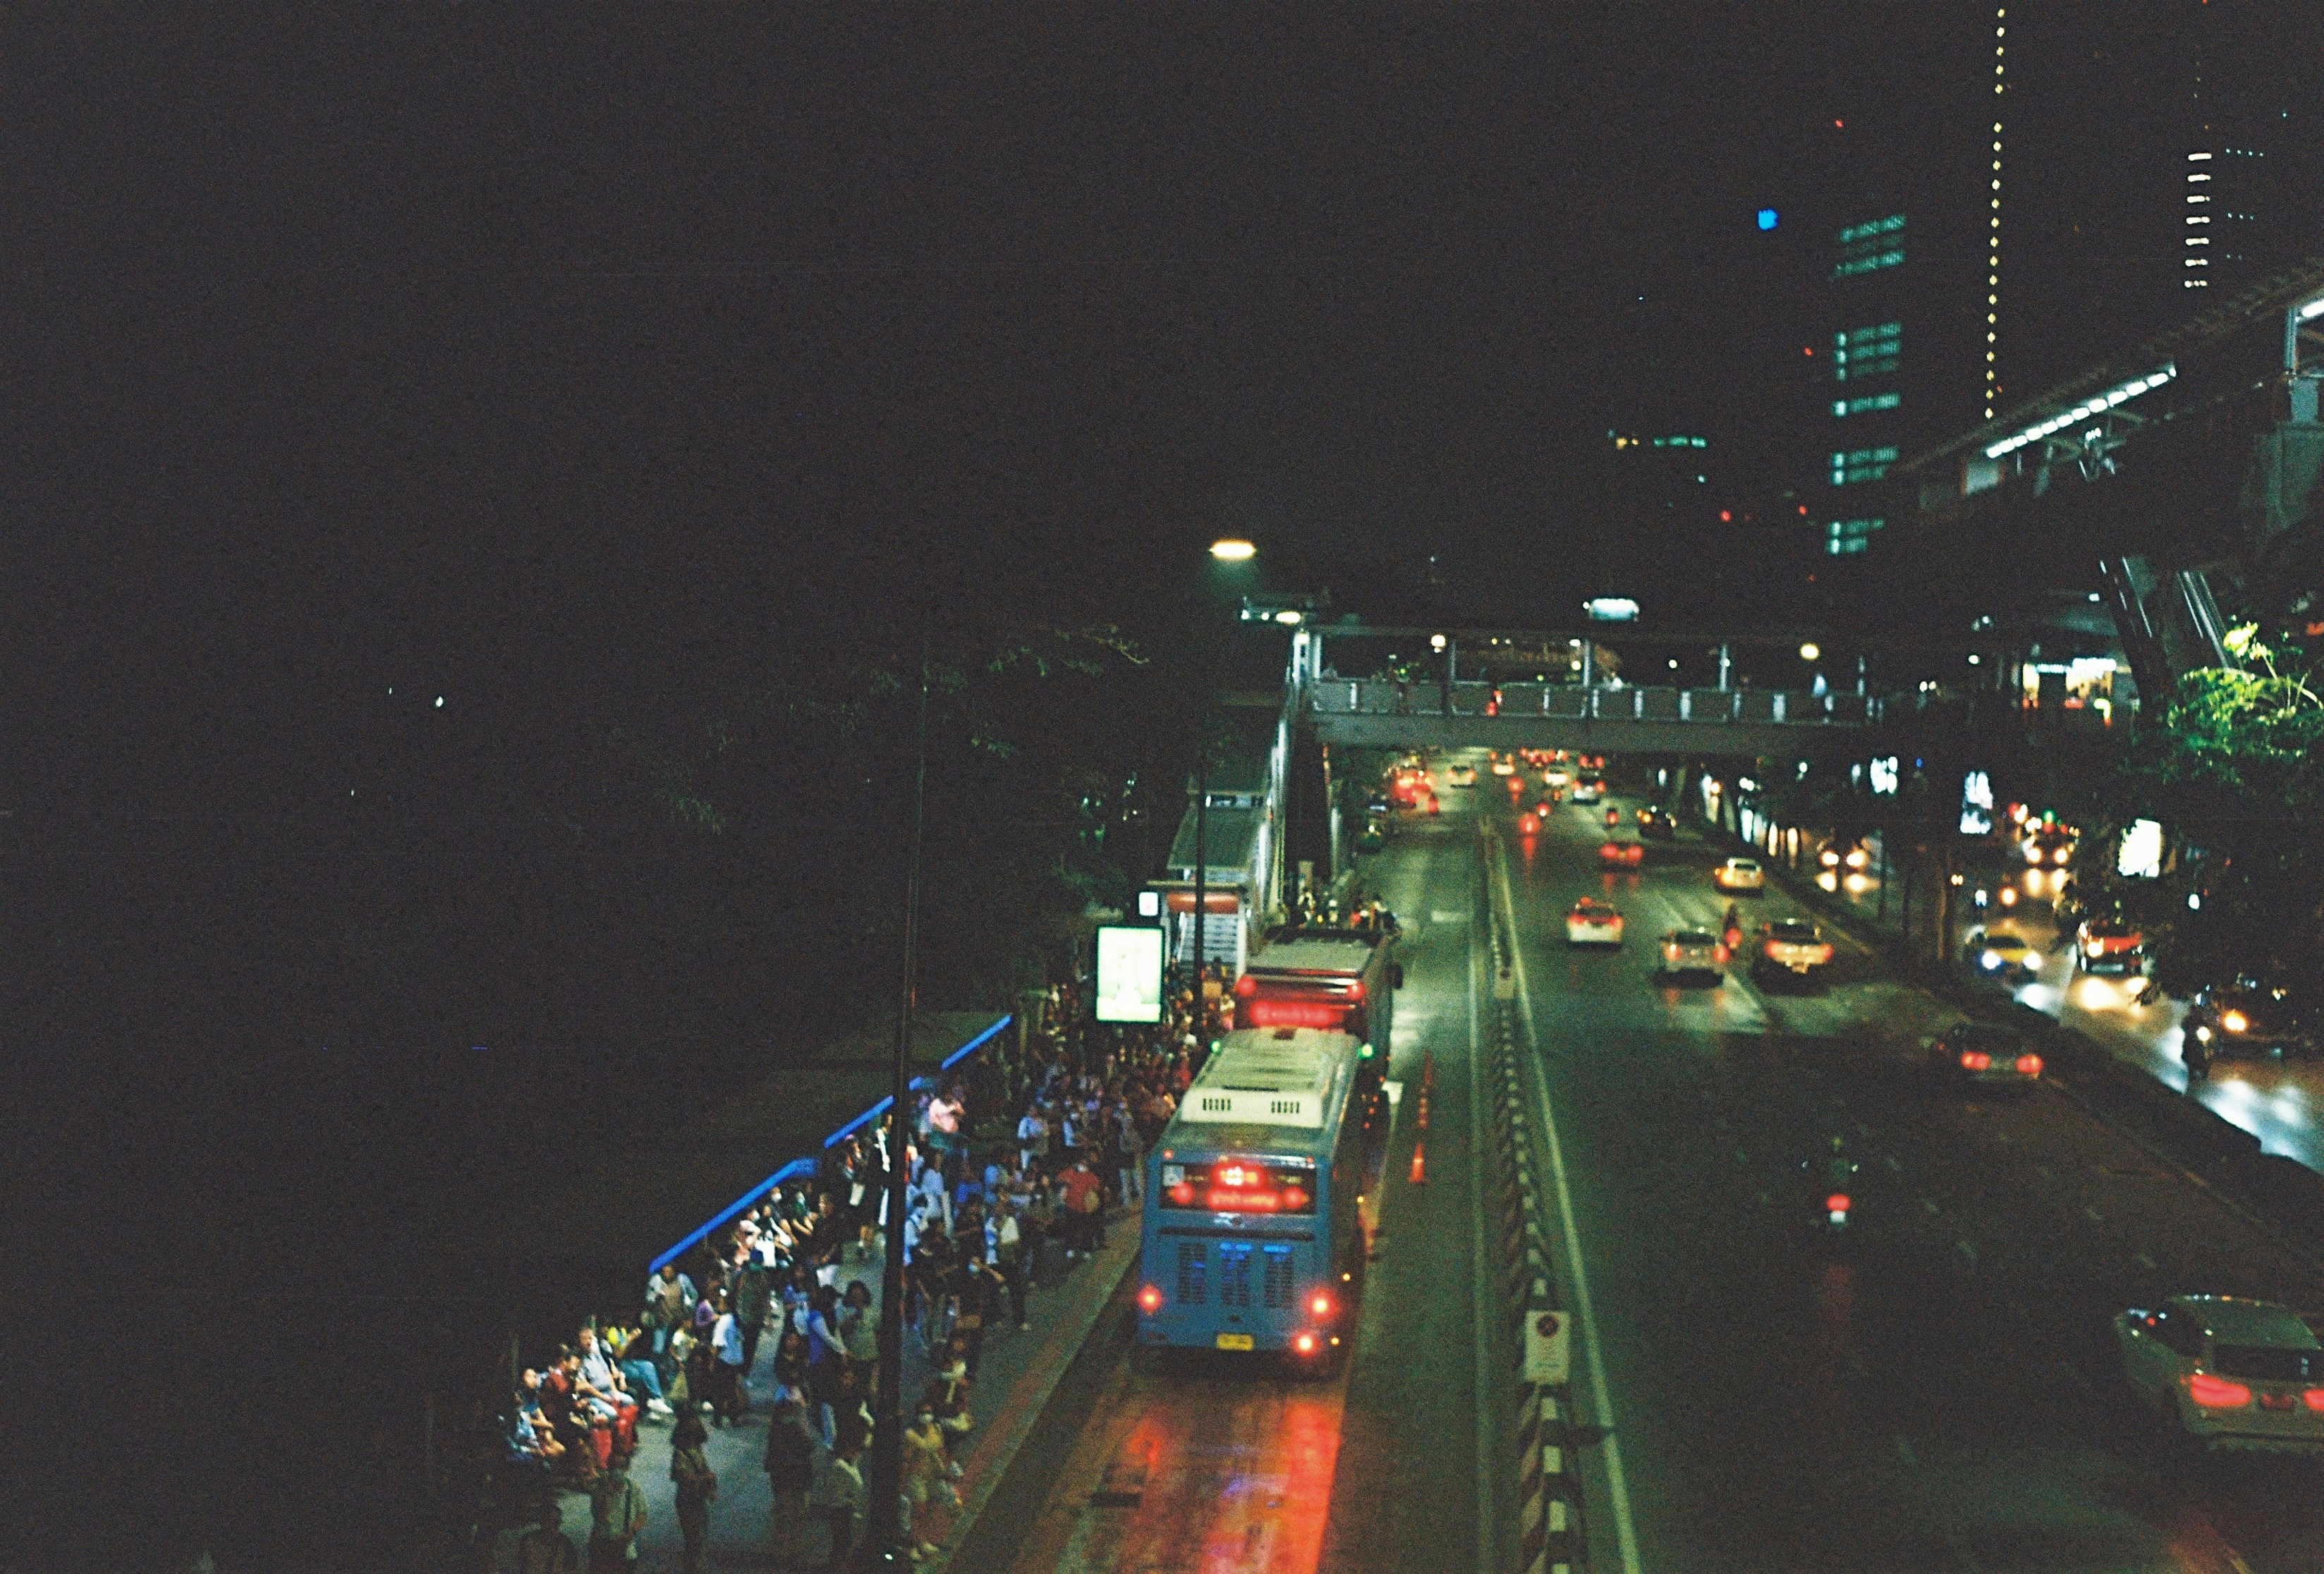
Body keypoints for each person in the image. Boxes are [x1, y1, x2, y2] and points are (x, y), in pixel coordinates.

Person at [764, 1394, 817, 1567]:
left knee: (782, 1516)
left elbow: (770, 1460)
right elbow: (809, 1446)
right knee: (796, 1515)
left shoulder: (776, 1432)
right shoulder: (793, 1428)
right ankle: (793, 1552)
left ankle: (780, 1552)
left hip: (781, 1480)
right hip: (797, 1478)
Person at [807, 1431, 868, 1568]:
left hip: (841, 1508)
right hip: (841, 1509)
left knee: (841, 1540)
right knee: (842, 1540)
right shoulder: (840, 1467)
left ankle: (837, 1564)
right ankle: (838, 1566)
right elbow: (853, 1486)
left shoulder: (843, 1464)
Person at [668, 1413, 718, 1574]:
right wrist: (706, 1478)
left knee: (700, 1535)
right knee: (693, 1537)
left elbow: (703, 1469)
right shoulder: (681, 1454)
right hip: (687, 1500)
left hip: (699, 1498)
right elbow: (683, 1477)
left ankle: (696, 1565)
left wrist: (709, 1484)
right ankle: (693, 1567)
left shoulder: (696, 1450)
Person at [585, 1453, 647, 1571]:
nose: (617, 1470)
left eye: (621, 1466)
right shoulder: (599, 1490)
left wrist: (631, 1532)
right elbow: (599, 1517)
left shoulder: (634, 1489)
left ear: (627, 1468)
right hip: (602, 1546)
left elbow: (642, 1513)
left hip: (625, 1548)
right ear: (608, 1467)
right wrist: (607, 1496)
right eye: (614, 1466)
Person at [515, 1501, 580, 1574]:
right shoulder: (528, 1541)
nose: (552, 1526)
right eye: (549, 1521)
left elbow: (571, 1569)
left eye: (556, 1522)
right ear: (542, 1521)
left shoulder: (565, 1544)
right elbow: (521, 1566)